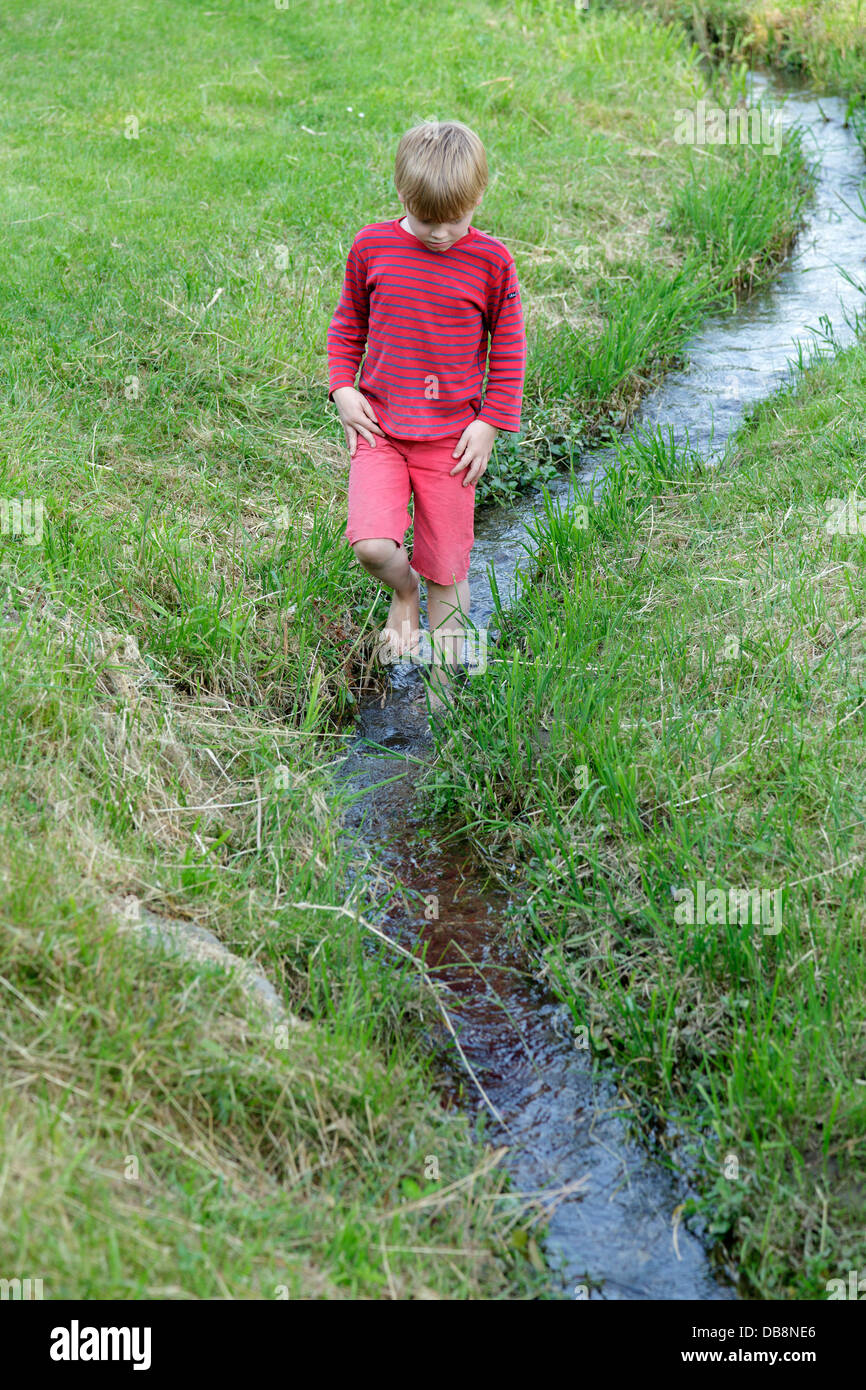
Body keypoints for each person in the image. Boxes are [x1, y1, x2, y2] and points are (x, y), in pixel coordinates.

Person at [327, 119, 526, 710]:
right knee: (370, 544)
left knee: (449, 571)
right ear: (401, 197)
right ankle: (402, 590)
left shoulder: (492, 264)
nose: (440, 234)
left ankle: (441, 707)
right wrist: (342, 388)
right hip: (381, 429)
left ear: (478, 201)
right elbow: (347, 327)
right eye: (425, 220)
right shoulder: (372, 247)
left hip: (451, 443)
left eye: (454, 221)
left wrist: (489, 422)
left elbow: (510, 351)